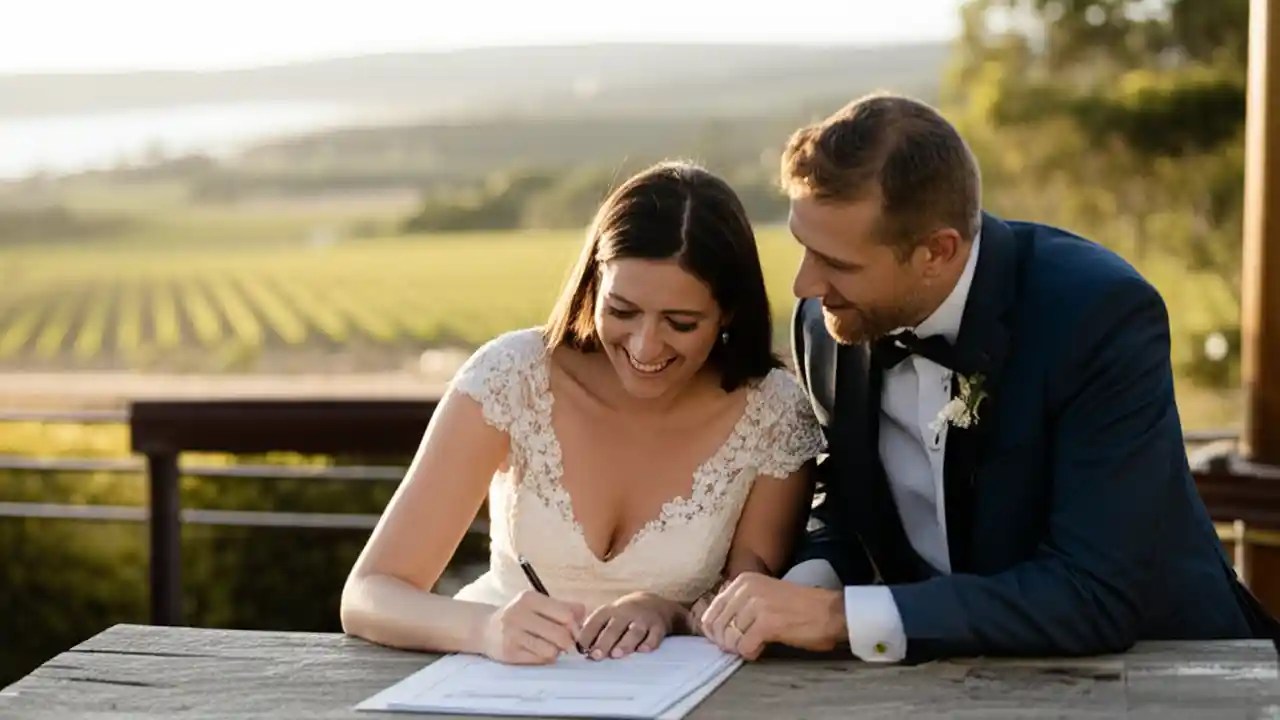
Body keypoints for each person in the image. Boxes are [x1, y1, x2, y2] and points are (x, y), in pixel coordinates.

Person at [699, 92, 1280, 662]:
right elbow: (848, 504)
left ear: (938, 252)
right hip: (948, 684)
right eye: (805, 246)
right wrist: (803, 588)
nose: (804, 284)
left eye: (837, 262)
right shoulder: (825, 326)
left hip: (1171, 672)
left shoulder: (1097, 316)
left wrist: (837, 619)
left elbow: (1094, 593)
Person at [340, 161, 825, 665]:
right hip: (493, 684)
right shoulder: (512, 377)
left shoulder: (773, 414)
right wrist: (485, 629)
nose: (644, 345)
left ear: (728, 312)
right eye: (622, 311)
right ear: (595, 283)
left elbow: (747, 610)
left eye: (680, 323)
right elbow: (369, 593)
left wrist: (668, 612)